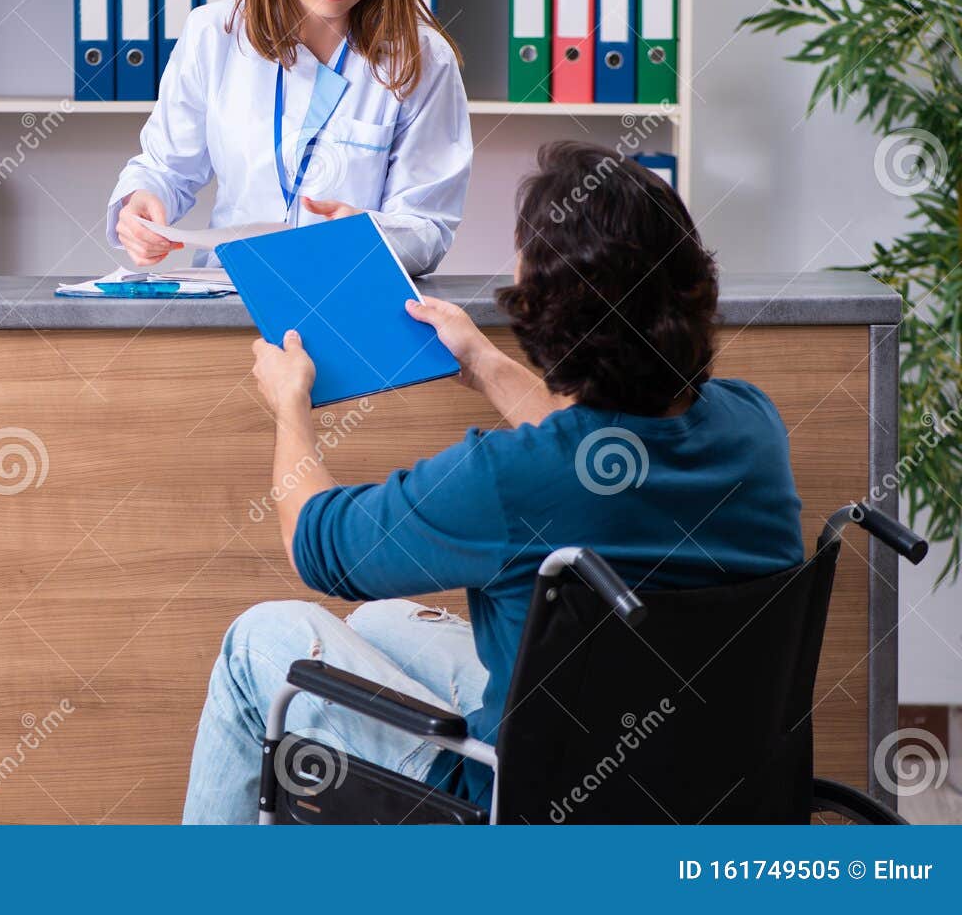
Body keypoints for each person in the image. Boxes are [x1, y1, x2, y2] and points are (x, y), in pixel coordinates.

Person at [182, 140, 808, 822]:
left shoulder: (508, 480)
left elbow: (317, 542)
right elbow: (601, 451)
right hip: (706, 777)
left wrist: (291, 407)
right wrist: (479, 361)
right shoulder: (754, 427)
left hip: (528, 804)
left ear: (545, 319)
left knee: (257, 639)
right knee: (380, 624)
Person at [106, 0, 472, 276]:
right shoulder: (215, 34)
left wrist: (368, 234)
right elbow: (166, 168)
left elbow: (428, 227)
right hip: (230, 292)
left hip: (349, 288)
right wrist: (143, 202)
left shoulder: (422, 59)